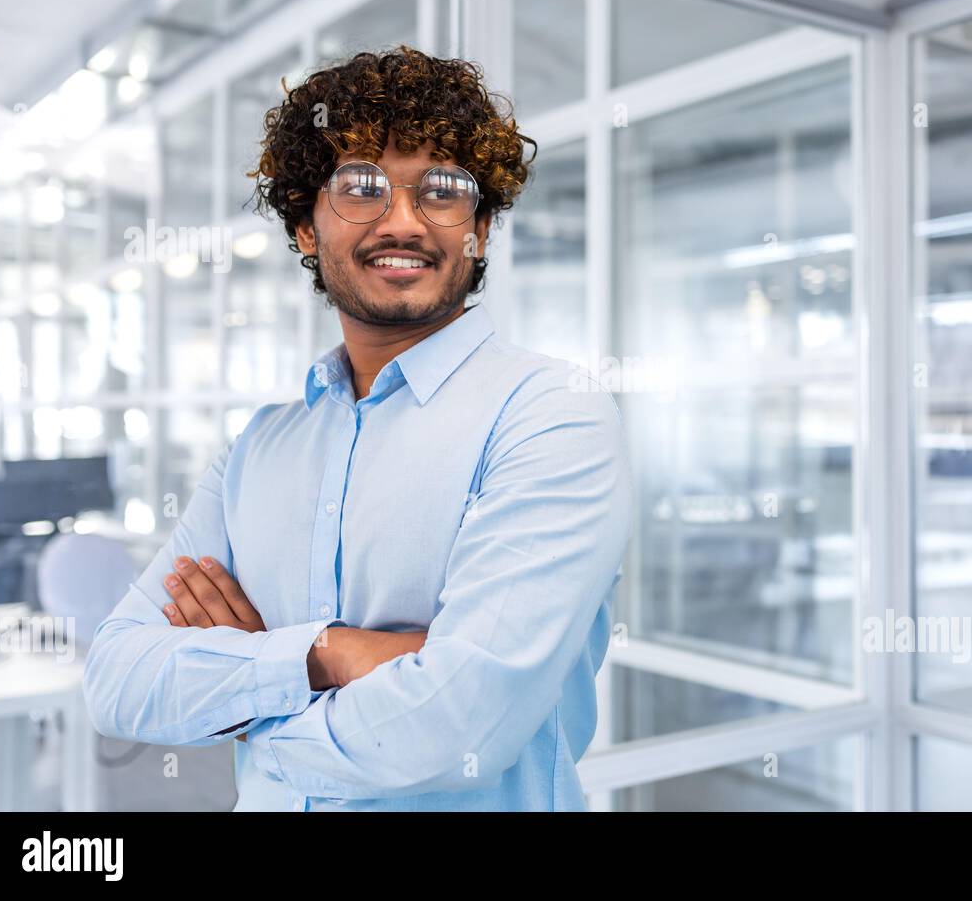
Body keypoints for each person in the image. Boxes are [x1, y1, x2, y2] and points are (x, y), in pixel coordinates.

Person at [82, 46, 633, 811]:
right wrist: (325, 654)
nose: (402, 222)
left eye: (442, 190)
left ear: (478, 228)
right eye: (361, 187)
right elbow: (116, 681)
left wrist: (245, 698)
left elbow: (456, 728)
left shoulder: (550, 417)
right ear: (305, 228)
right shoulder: (262, 447)